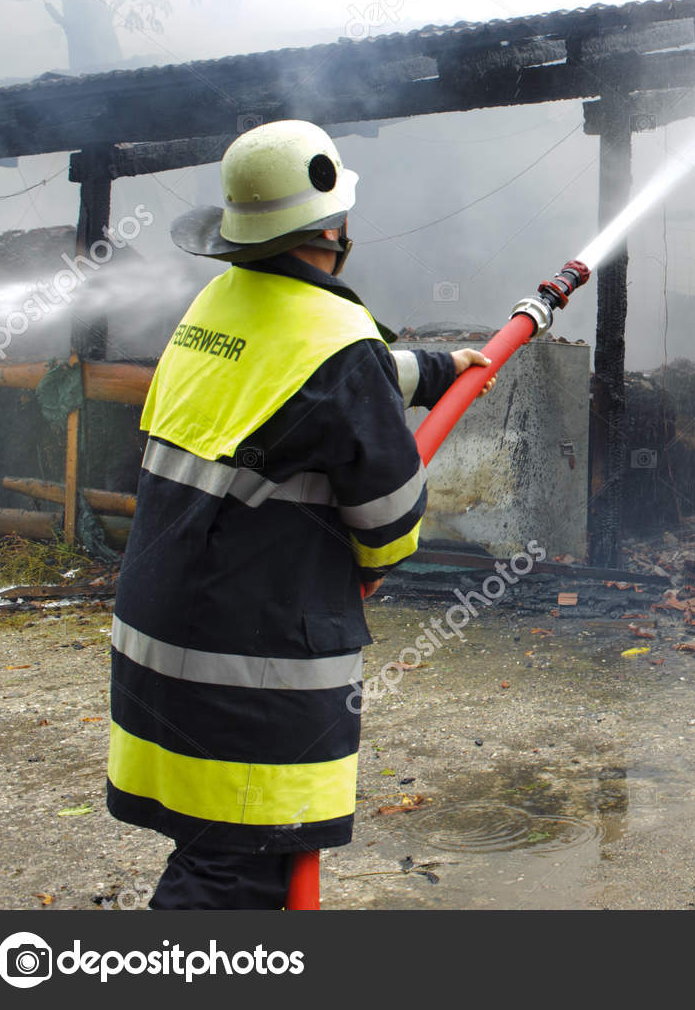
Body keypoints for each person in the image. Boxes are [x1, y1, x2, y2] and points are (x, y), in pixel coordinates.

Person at [106, 119, 489, 909]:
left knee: (220, 852)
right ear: (332, 229)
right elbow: (389, 516)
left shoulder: (217, 304)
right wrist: (378, 561)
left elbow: (320, 382)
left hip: (161, 637)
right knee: (233, 874)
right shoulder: (337, 338)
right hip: (244, 667)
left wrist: (445, 368)